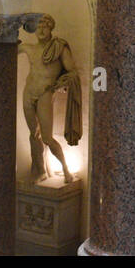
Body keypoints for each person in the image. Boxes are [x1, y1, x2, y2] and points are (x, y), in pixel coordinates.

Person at [21, 15, 82, 183]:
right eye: (38, 26)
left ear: (51, 29)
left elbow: (72, 71)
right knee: (34, 134)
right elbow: (7, 49)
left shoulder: (58, 48)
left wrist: (60, 83)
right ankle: (40, 171)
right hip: (28, 93)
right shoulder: (29, 48)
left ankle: (65, 170)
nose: (41, 30)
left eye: (45, 27)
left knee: (47, 137)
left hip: (45, 94)